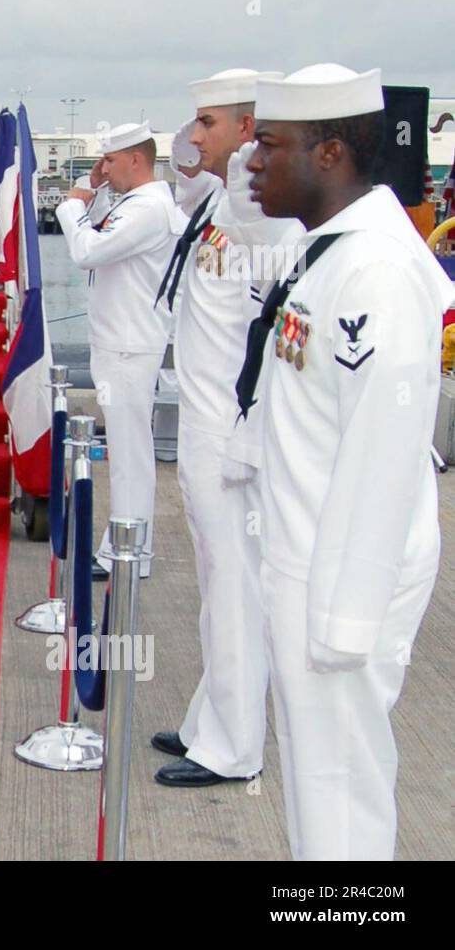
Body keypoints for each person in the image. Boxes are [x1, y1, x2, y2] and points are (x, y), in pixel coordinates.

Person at [239, 63, 454, 859]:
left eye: (269, 145)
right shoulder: (328, 253)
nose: (253, 163)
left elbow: (382, 460)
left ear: (329, 155)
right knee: (320, 780)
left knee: (339, 786)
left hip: (338, 580)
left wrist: (345, 619)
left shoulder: (375, 273)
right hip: (304, 561)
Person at [151, 69, 303, 789]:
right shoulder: (218, 196)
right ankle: (209, 719)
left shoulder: (259, 208)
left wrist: (248, 160)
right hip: (204, 416)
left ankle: (236, 746)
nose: (194, 135)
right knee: (217, 582)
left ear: (248, 131)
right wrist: (213, 164)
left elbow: (277, 325)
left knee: (237, 586)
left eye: (209, 121)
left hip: (231, 429)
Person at [55, 122, 180, 579]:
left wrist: (72, 204)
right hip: (118, 341)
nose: (102, 168)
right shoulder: (133, 203)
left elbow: (88, 250)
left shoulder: (148, 208)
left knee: (130, 453)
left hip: (130, 344)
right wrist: (96, 189)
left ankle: (129, 550)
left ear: (134, 158)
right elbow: (103, 227)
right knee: (128, 451)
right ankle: (125, 544)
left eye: (109, 160)